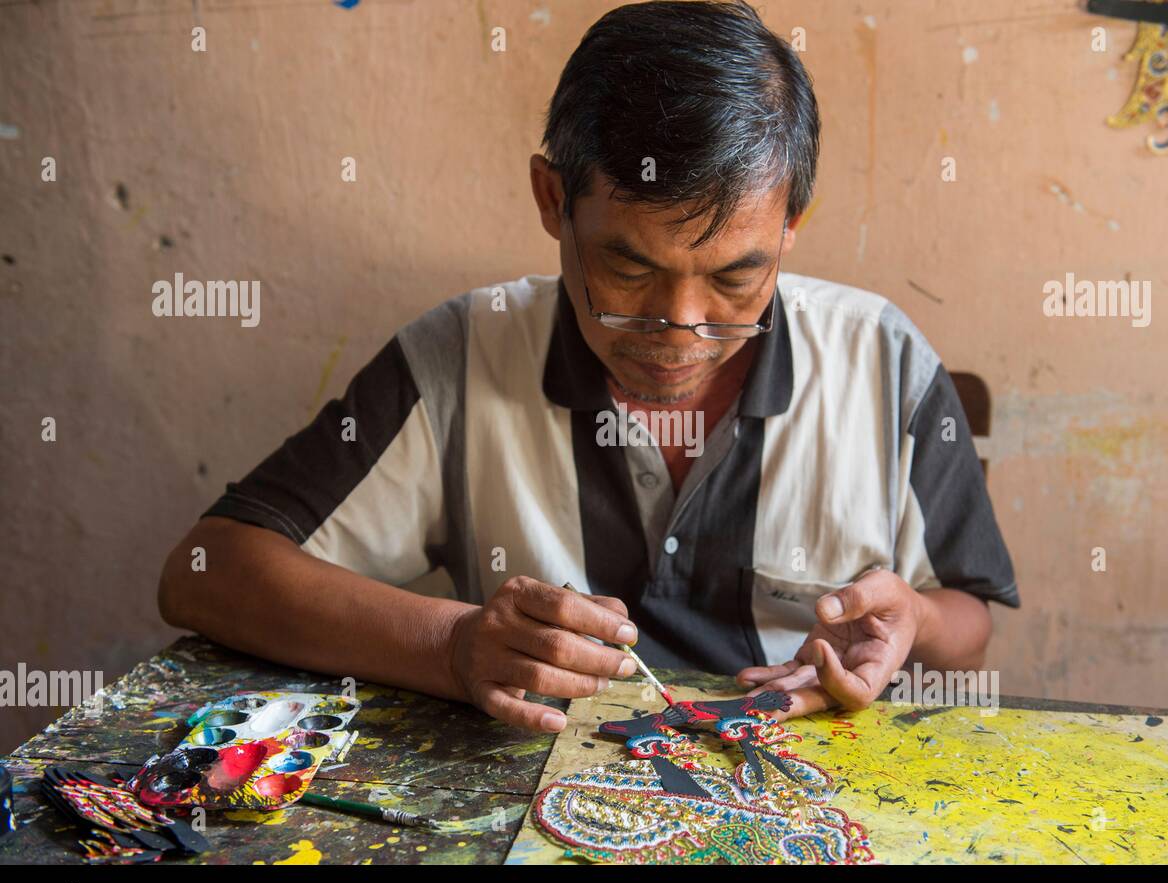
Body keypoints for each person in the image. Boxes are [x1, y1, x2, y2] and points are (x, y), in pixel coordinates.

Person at [158, 0, 1018, 734]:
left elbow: (966, 627)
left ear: (792, 222)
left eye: (734, 276)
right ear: (550, 200)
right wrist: (454, 646)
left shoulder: (882, 359)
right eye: (631, 268)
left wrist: (914, 622)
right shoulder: (463, 356)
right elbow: (208, 570)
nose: (679, 326)